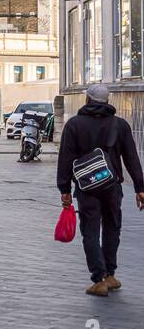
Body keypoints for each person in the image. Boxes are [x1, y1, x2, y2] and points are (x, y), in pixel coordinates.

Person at [57, 84, 144, 296]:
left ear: (87, 99)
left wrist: (64, 189)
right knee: (113, 227)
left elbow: (66, 159)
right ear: (107, 101)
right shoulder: (120, 125)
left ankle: (99, 279)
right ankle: (111, 274)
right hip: (113, 186)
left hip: (87, 188)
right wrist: (140, 188)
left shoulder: (74, 125)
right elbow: (131, 158)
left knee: (91, 231)